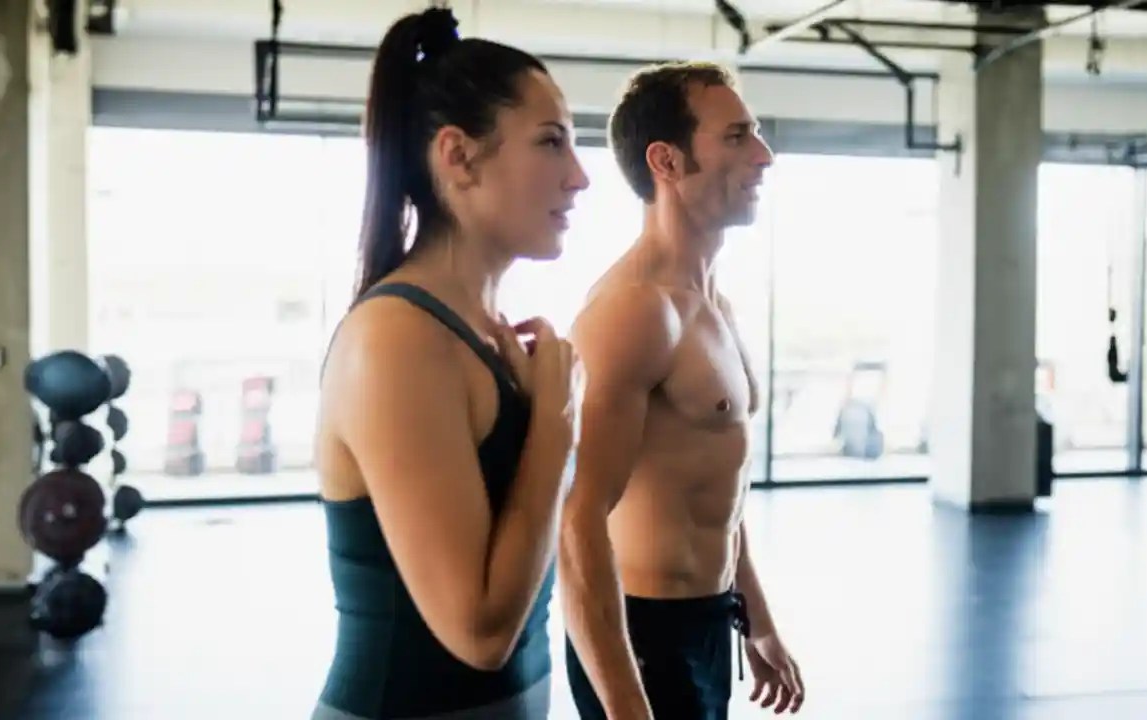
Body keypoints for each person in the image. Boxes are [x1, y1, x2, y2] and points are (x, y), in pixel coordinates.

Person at [311, 8, 588, 720]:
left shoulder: (481, 331)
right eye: (552, 143)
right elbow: (479, 632)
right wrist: (556, 428)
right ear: (459, 156)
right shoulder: (396, 340)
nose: (580, 177)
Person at [559, 62, 805, 718]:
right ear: (666, 160)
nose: (764, 155)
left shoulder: (713, 303)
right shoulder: (632, 311)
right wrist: (621, 701)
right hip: (643, 637)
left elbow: (717, 486)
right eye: (737, 137)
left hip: (706, 621)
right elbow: (576, 518)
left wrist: (756, 620)